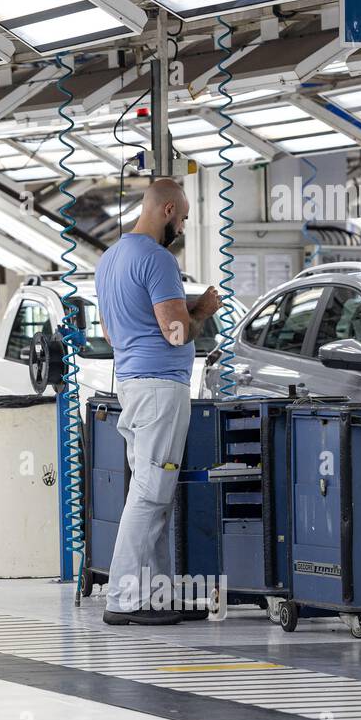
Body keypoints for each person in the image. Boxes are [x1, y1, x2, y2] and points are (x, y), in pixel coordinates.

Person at [94, 178, 221, 626]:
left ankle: (158, 595)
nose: (182, 228)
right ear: (167, 210)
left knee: (156, 493)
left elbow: (110, 331)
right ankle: (124, 598)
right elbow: (176, 332)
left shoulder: (109, 260)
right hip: (160, 388)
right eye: (182, 218)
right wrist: (201, 309)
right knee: (150, 494)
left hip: (132, 383)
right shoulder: (157, 259)